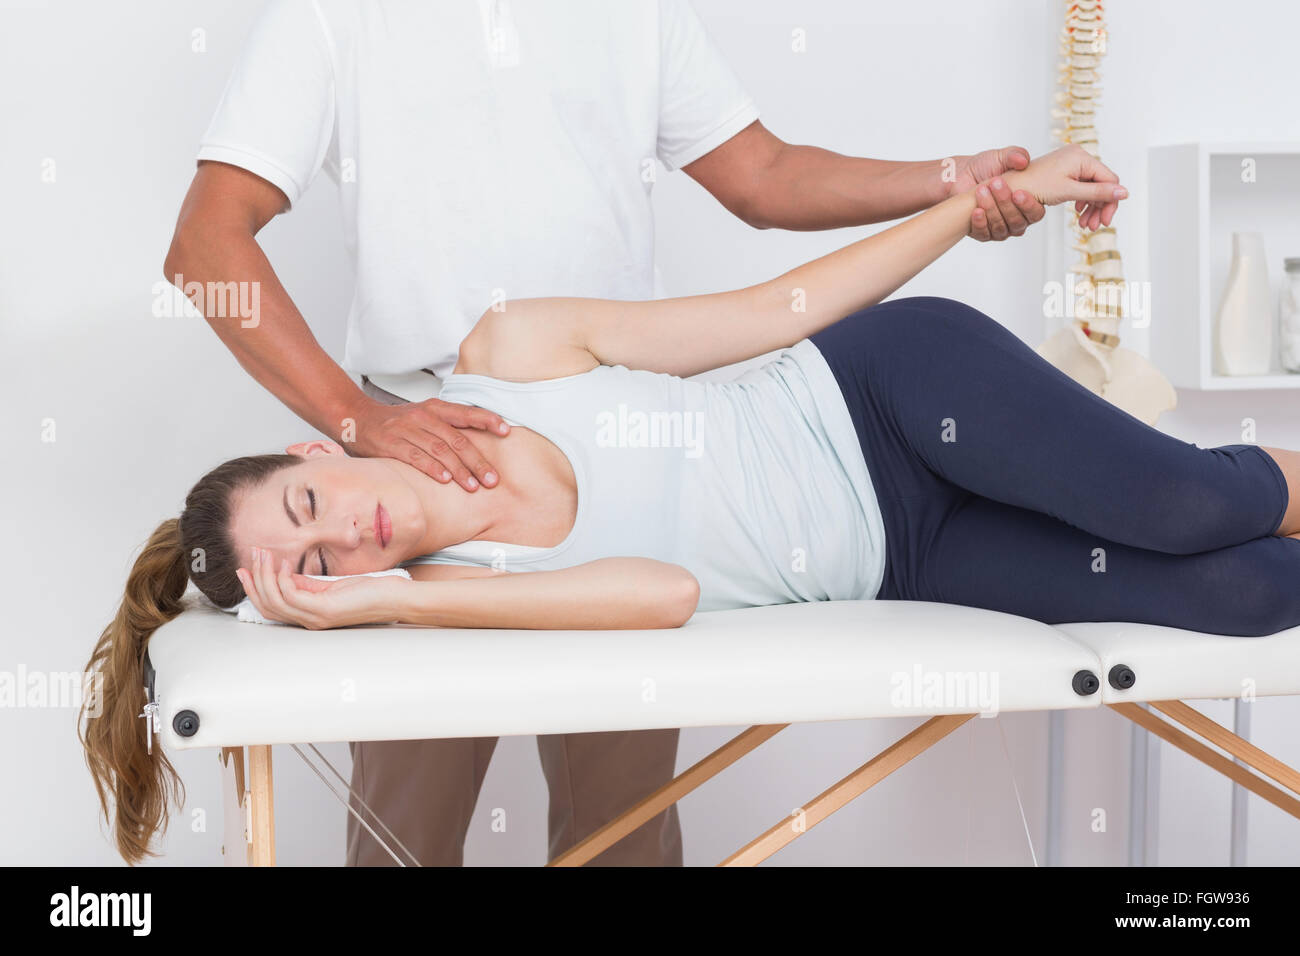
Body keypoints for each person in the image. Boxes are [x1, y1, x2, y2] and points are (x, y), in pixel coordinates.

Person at [89, 145, 1300, 865]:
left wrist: (985, 200)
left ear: (316, 445)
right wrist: (384, 603)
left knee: (1187, 502)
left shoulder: (505, 352)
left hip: (887, 391)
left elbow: (776, 309)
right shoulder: (452, 595)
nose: (345, 529)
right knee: (1238, 595)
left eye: (311, 498)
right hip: (906, 551)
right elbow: (661, 593)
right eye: (317, 559)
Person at [163, 0, 1060, 869]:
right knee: (407, 840)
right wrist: (360, 419)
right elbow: (206, 243)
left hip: (620, 450)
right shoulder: (330, 15)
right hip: (411, 464)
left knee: (621, 828)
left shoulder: (638, 10)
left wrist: (952, 181)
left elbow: (764, 175)